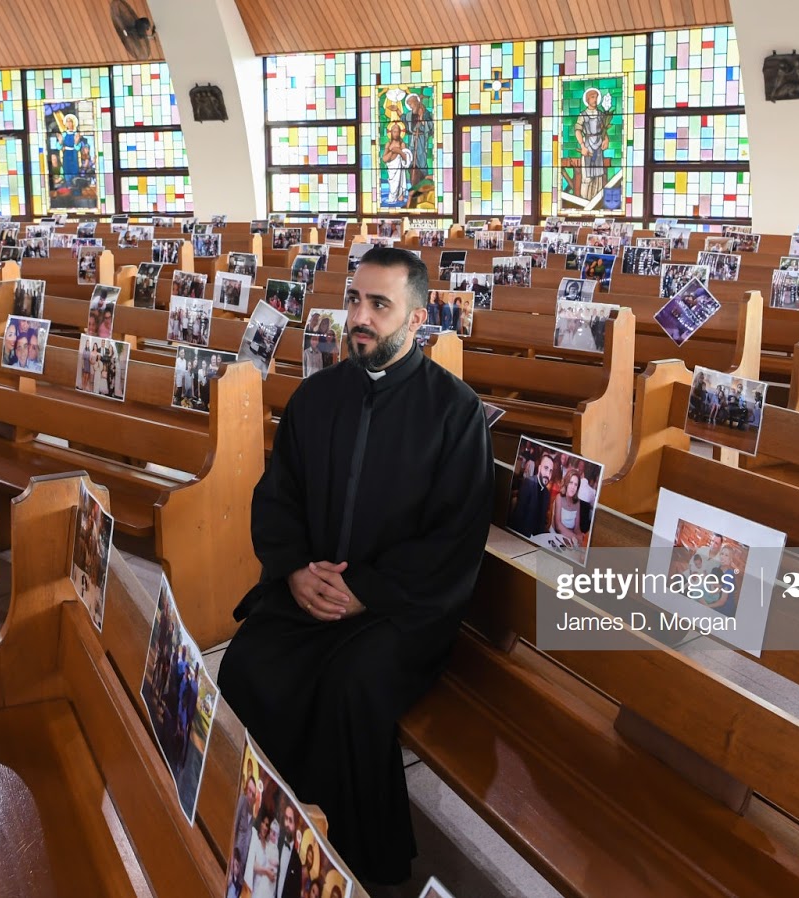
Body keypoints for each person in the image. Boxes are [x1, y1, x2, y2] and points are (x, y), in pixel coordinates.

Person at [217, 246, 495, 885]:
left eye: (378, 305)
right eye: (353, 300)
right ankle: (257, 833)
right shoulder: (316, 398)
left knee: (351, 688)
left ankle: (354, 866)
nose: (359, 318)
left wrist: (363, 591)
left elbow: (453, 537)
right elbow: (277, 495)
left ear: (417, 319)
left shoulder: (454, 414)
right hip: (309, 589)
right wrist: (293, 572)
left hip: (398, 611)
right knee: (249, 662)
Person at [510, 453, 555, 539]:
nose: (548, 474)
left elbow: (542, 522)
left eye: (551, 471)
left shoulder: (546, 494)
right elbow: (518, 517)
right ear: (539, 468)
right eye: (546, 468)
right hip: (521, 536)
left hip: (536, 539)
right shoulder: (528, 483)